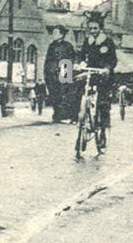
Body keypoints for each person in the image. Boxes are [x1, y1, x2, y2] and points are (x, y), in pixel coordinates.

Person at [79, 13, 117, 149]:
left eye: (95, 28)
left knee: (103, 103)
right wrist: (82, 62)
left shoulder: (107, 42)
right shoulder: (87, 41)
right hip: (91, 73)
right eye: (91, 28)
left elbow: (113, 59)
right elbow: (82, 55)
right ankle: (83, 119)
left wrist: (107, 68)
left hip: (104, 76)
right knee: (81, 92)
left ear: (100, 28)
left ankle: (103, 134)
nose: (93, 31)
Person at [44, 25, 76, 122]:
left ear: (61, 34)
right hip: (52, 74)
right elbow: (48, 60)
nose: (53, 35)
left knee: (64, 94)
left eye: (55, 33)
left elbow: (71, 59)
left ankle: (67, 115)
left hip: (64, 73)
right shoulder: (51, 46)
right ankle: (57, 114)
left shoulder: (68, 46)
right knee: (54, 94)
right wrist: (47, 72)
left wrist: (66, 72)